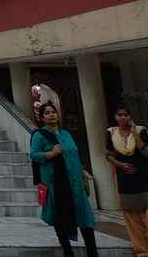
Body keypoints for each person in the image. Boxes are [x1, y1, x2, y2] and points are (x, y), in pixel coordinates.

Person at [31, 102, 99, 257]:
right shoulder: (39, 135)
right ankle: (67, 250)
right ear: (42, 117)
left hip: (75, 182)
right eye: (47, 113)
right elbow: (34, 155)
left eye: (53, 112)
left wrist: (83, 173)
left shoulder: (66, 134)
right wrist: (51, 154)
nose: (51, 115)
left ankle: (92, 252)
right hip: (56, 183)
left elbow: (74, 155)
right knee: (59, 216)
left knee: (85, 217)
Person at [106, 103, 148, 257]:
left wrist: (134, 131)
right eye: (120, 115)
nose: (123, 117)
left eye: (126, 115)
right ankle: (142, 251)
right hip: (126, 180)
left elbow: (146, 152)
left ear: (130, 117)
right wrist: (121, 165)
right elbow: (109, 155)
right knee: (132, 219)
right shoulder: (111, 133)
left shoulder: (140, 130)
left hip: (145, 180)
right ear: (115, 117)